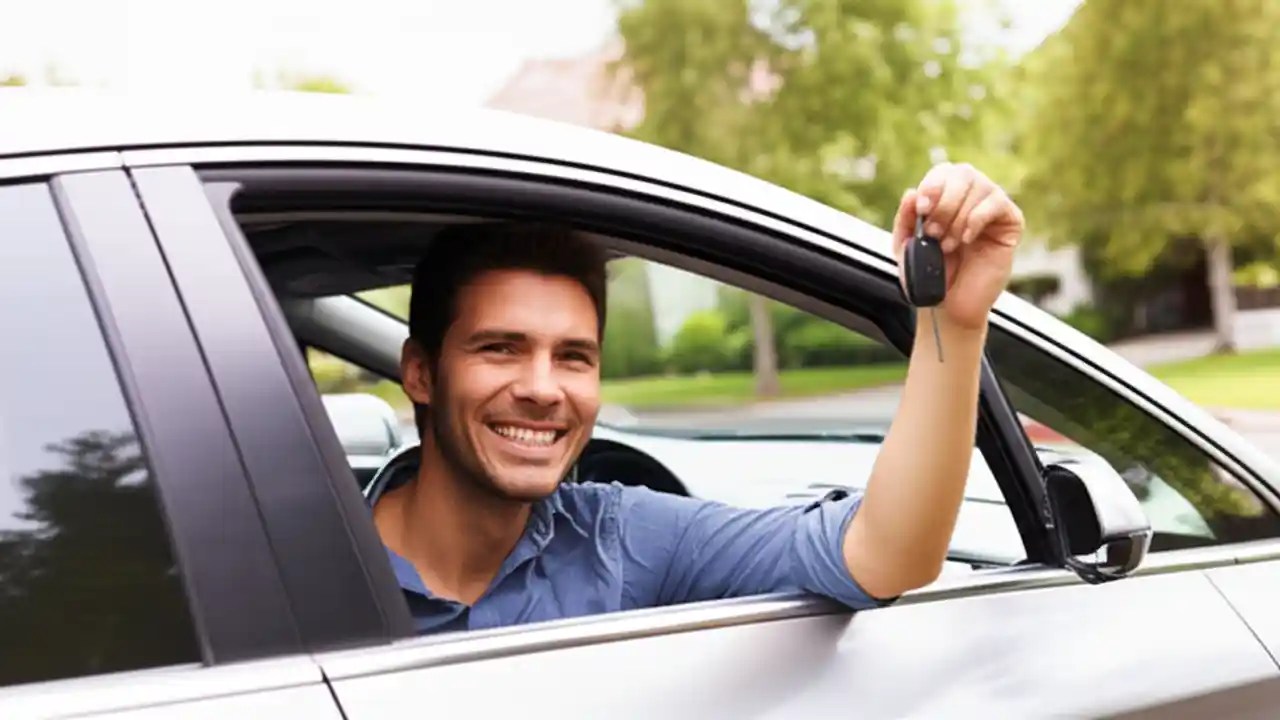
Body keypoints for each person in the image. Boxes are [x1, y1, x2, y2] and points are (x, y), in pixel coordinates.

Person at [371, 163, 1025, 634]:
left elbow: (888, 553)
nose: (543, 389)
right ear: (422, 373)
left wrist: (954, 324)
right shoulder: (293, 565)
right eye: (500, 349)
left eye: (573, 357)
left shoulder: (619, 539)